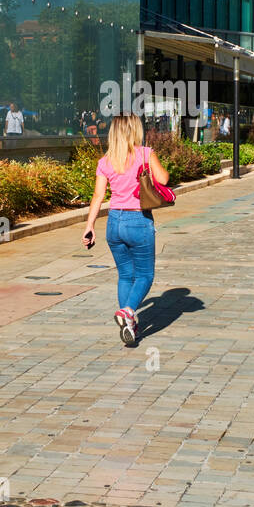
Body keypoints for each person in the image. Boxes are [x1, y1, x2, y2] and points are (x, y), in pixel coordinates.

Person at [81, 114, 169, 347]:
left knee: (125, 275)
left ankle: (129, 325)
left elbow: (98, 196)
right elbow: (164, 179)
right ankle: (128, 312)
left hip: (114, 223)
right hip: (138, 220)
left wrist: (90, 226)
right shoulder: (145, 153)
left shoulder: (105, 160)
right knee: (145, 275)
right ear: (134, 131)